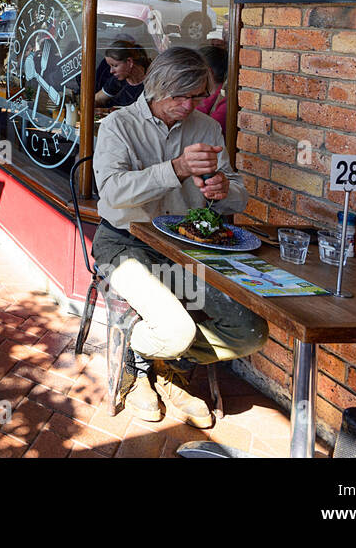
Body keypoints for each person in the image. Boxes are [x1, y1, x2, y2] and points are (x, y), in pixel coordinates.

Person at [92, 47, 267, 428]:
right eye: (179, 97)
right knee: (174, 329)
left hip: (185, 246)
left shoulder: (206, 128)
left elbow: (238, 191)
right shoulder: (118, 126)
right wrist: (176, 169)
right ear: (155, 88)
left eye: (196, 96)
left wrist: (224, 189)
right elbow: (112, 193)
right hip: (123, 242)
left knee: (250, 332)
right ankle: (140, 367)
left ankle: (167, 360)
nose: (188, 106)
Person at [95, 38, 151, 108]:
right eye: (110, 66)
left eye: (115, 65)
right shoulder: (117, 80)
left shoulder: (152, 82)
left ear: (129, 62)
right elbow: (98, 99)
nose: (111, 71)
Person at [197, 43, 228, 133]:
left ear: (208, 72)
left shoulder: (224, 104)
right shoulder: (200, 95)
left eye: (194, 69)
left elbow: (207, 133)